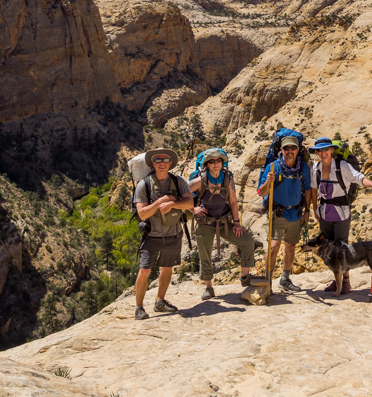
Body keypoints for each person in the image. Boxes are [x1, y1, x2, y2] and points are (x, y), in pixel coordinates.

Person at [308, 136, 372, 293]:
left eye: (325, 149)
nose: (322, 153)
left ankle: (346, 282)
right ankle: (338, 281)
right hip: (325, 213)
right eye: (319, 150)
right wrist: (315, 209)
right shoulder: (316, 169)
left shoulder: (342, 166)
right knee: (328, 248)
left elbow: (359, 178)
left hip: (341, 213)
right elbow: (313, 189)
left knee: (342, 247)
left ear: (332, 150)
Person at [188, 148, 257, 300]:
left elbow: (233, 201)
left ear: (222, 163)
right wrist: (193, 208)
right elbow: (183, 194)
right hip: (204, 223)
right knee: (205, 254)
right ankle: (208, 288)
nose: (215, 164)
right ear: (207, 164)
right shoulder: (201, 180)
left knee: (247, 242)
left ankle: (245, 278)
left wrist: (237, 223)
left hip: (225, 222)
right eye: (212, 161)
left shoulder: (227, 179)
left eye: (218, 161)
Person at [133, 148, 193, 320]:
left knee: (167, 268)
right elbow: (142, 214)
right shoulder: (144, 184)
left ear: (170, 163)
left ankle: (160, 301)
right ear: (153, 163)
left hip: (174, 233)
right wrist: (160, 201)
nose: (162, 163)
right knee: (144, 271)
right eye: (158, 160)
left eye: (165, 160)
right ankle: (139, 308)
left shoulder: (178, 181)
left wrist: (173, 204)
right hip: (152, 235)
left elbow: (190, 202)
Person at [257, 134, 313, 292]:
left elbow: (308, 189)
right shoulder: (273, 167)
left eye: (293, 148)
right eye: (286, 148)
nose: (289, 151)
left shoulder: (303, 168)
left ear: (298, 150)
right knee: (274, 246)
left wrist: (307, 210)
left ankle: (285, 279)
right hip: (277, 213)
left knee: (290, 247)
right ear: (281, 149)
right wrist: (268, 181)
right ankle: (267, 280)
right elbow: (261, 192)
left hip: (295, 213)